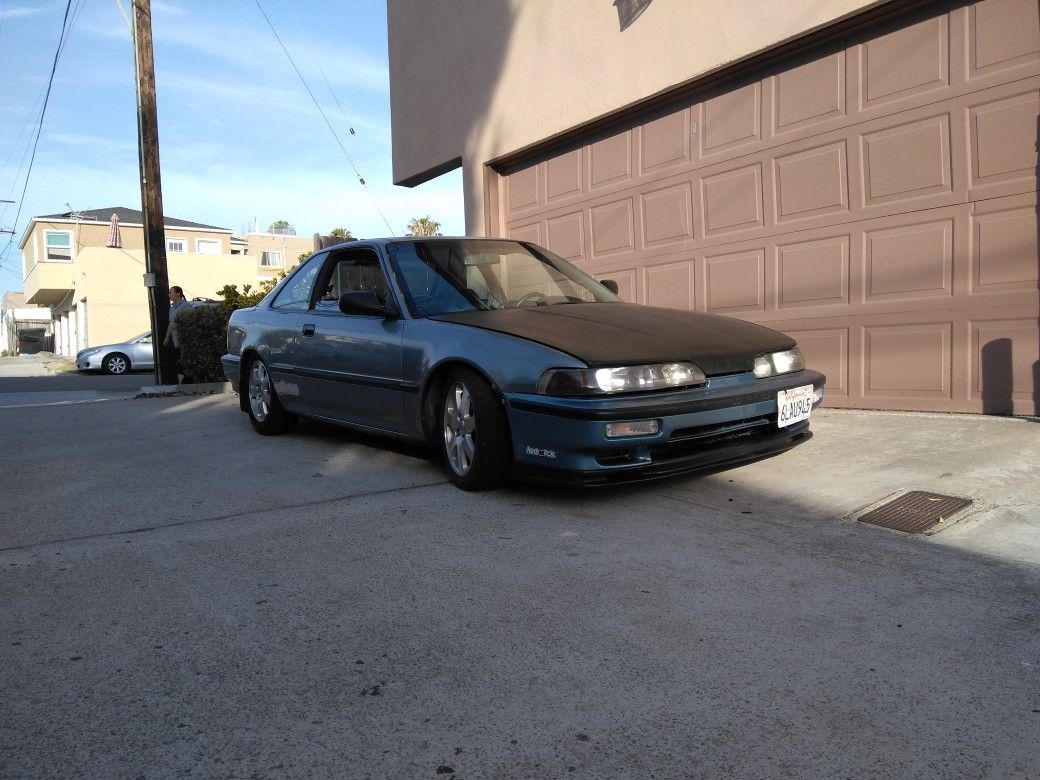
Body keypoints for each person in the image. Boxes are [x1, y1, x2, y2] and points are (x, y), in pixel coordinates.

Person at [163, 285, 192, 383]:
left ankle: (188, 381)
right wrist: (167, 337)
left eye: (171, 292)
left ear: (178, 294)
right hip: (176, 341)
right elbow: (171, 324)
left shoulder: (185, 306)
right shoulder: (172, 309)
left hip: (185, 340)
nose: (169, 295)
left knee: (185, 362)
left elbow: (191, 322)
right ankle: (187, 380)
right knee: (178, 362)